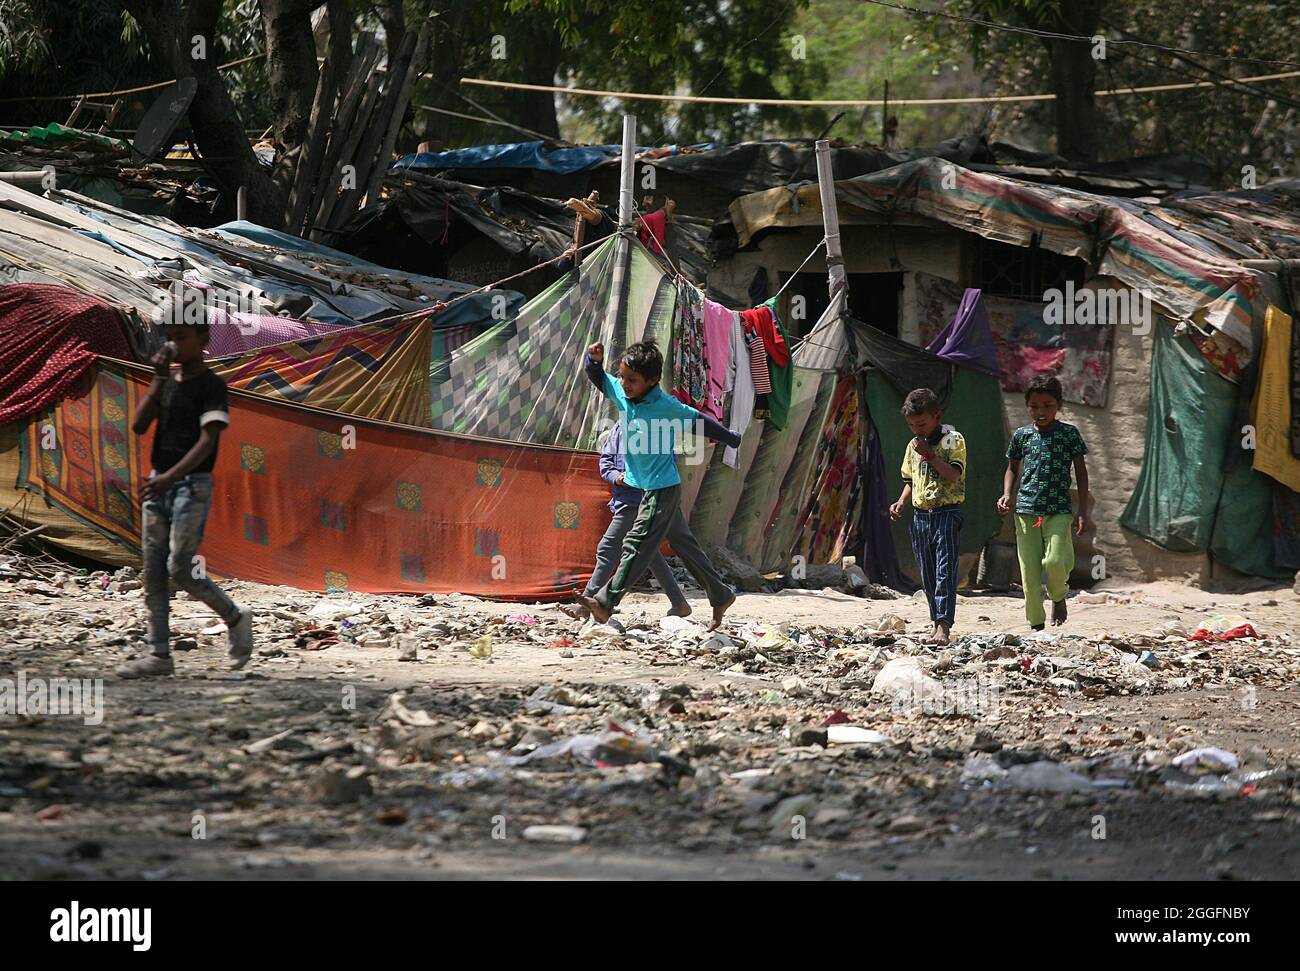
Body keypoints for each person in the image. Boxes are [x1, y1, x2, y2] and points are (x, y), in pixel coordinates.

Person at [118, 322, 253, 678]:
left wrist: (168, 479)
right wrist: (158, 379)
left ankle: (235, 617)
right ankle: (159, 655)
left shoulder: (212, 386)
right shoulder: (167, 384)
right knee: (154, 571)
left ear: (203, 340)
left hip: (190, 486)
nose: (174, 344)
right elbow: (137, 425)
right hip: (158, 485)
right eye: (170, 338)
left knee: (180, 567)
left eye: (182, 337)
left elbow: (208, 441)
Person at [574, 340, 739, 631]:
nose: (624, 384)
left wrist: (731, 438)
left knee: (636, 544)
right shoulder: (623, 393)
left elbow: (699, 422)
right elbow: (599, 378)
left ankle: (605, 602)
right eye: (623, 377)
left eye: (632, 380)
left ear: (652, 381)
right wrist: (594, 360)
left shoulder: (666, 406)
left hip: (661, 489)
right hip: (644, 486)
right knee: (684, 545)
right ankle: (721, 595)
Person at [561, 419, 692, 621]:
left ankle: (587, 603)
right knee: (648, 553)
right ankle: (679, 602)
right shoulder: (617, 430)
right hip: (625, 499)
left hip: (643, 502)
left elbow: (668, 468)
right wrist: (618, 477)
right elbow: (606, 464)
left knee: (608, 548)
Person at [998, 375, 1091, 629]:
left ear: (1059, 404)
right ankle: (1036, 625)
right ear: (1027, 406)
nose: (1041, 412)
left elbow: (1081, 473)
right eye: (1034, 406)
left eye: (1048, 406)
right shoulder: (1022, 436)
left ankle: (1058, 596)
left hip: (1058, 510)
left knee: (1054, 561)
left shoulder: (1069, 434)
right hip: (1026, 511)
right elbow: (1012, 469)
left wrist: (1082, 511)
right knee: (1028, 573)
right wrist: (1007, 493)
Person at [890, 388, 966, 645]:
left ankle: (945, 626)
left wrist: (930, 455)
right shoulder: (913, 446)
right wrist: (901, 501)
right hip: (921, 517)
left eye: (921, 424)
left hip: (946, 513)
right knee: (928, 574)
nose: (917, 430)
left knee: (945, 571)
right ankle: (935, 624)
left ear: (937, 416)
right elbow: (911, 479)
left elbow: (954, 475)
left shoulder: (952, 439)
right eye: (911, 425)